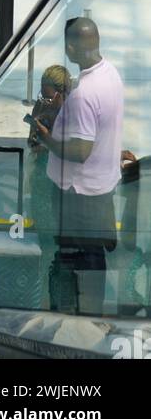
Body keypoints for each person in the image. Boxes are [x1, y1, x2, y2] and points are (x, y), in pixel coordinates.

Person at [33, 19, 124, 316]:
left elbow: (81, 150)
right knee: (92, 254)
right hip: (100, 186)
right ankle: (89, 313)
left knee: (77, 256)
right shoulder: (110, 74)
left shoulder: (84, 93)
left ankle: (77, 316)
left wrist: (47, 141)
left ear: (71, 47)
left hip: (77, 192)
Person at [27, 65, 72, 304]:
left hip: (67, 184)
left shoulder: (77, 112)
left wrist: (48, 138)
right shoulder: (43, 107)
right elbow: (31, 143)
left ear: (60, 93)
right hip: (44, 178)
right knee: (47, 240)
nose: (45, 101)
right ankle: (46, 295)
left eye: (48, 96)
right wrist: (38, 135)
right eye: (42, 96)